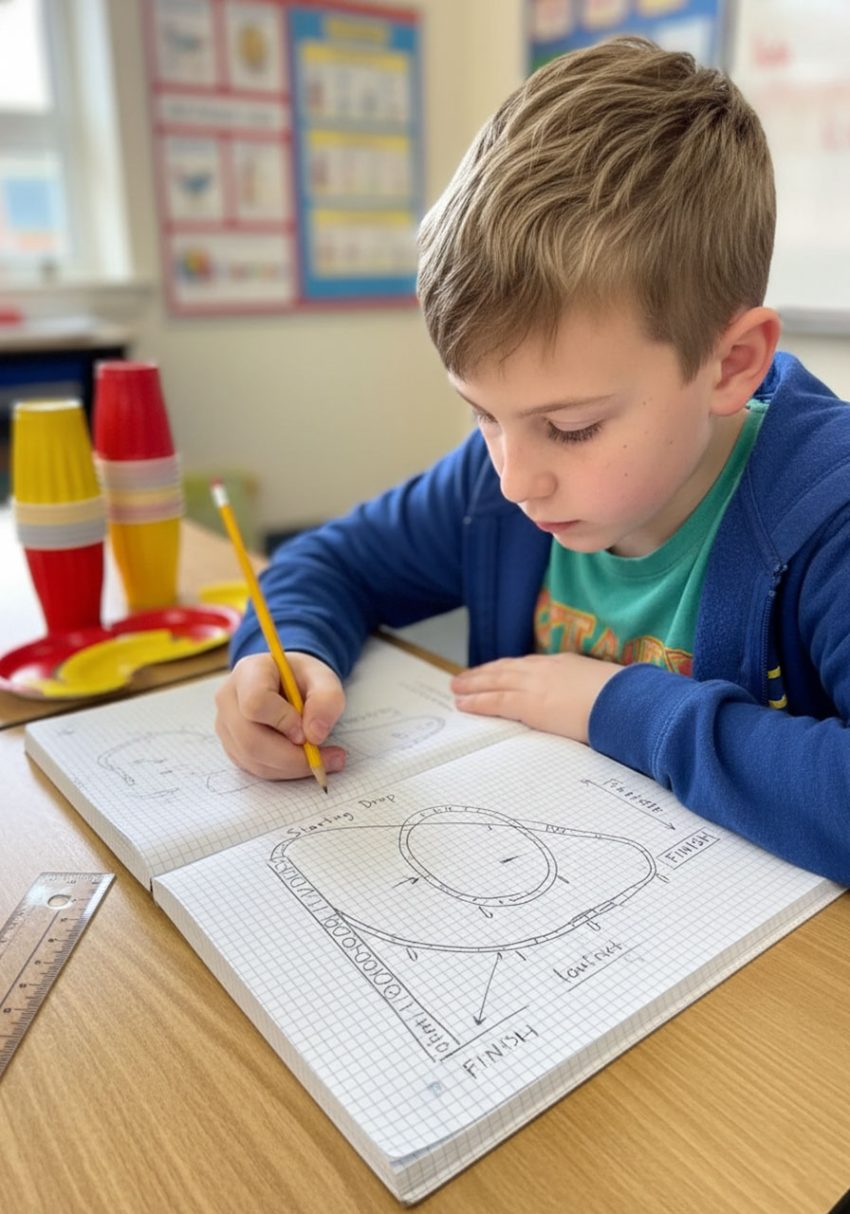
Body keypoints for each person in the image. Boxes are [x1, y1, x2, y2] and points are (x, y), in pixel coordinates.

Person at [215, 36, 850, 884]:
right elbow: (329, 564)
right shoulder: (498, 481)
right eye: (482, 414)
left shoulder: (826, 510)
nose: (515, 479)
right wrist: (285, 655)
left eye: (574, 427)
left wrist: (611, 705)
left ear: (731, 365)